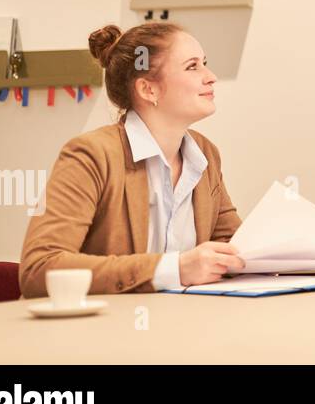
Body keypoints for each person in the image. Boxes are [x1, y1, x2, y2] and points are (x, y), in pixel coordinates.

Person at [19, 22, 244, 297]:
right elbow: (40, 269)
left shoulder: (205, 154)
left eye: (205, 63)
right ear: (149, 90)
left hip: (182, 326)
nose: (210, 77)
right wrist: (176, 269)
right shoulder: (91, 155)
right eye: (192, 66)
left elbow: (234, 246)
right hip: (97, 333)